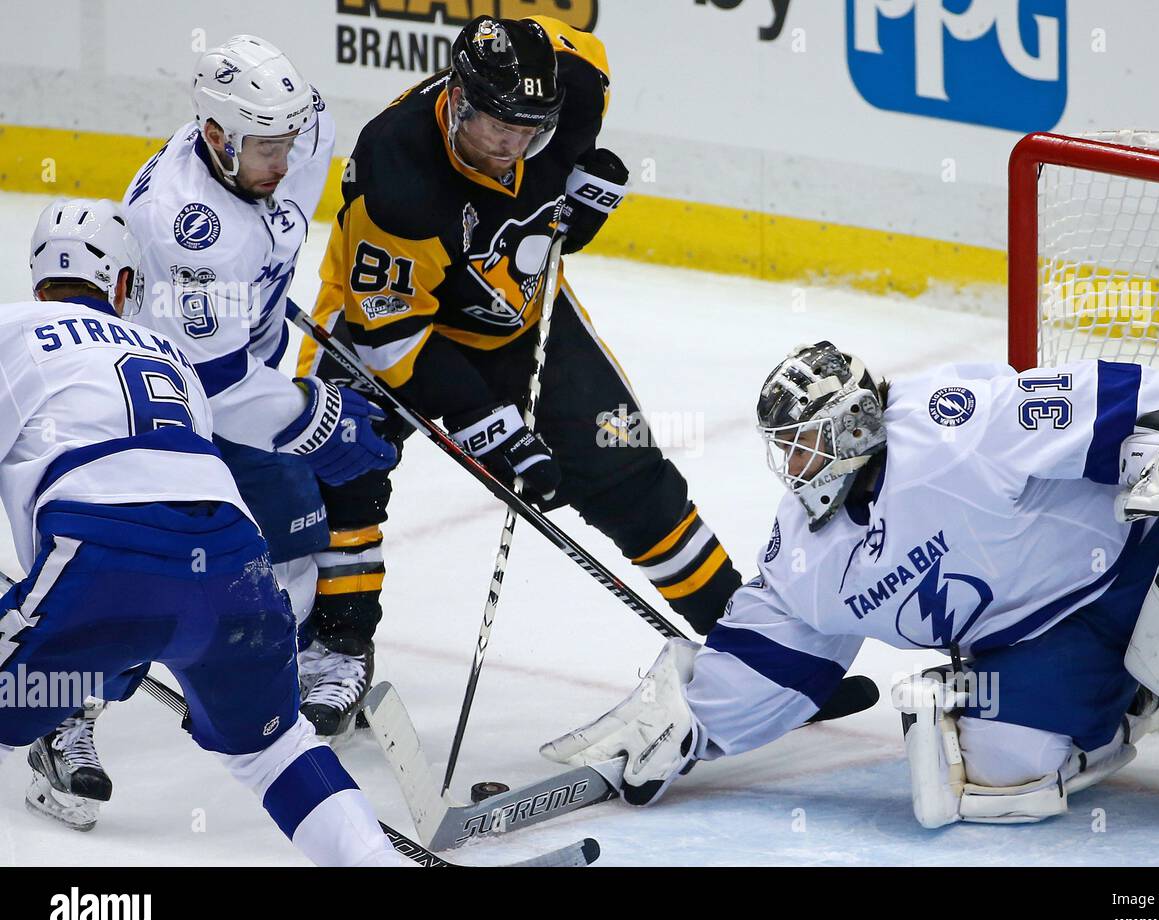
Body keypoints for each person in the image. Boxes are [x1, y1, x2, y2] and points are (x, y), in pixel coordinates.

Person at [540, 341, 1159, 824]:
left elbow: (1113, 398)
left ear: (849, 430)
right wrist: (693, 725)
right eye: (787, 451)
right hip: (1042, 638)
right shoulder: (810, 550)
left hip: (1143, 551)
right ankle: (1137, 696)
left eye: (805, 446)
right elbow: (775, 656)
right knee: (998, 784)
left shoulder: (949, 426)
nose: (794, 467)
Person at [297, 15, 741, 734]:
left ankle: (748, 640)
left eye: (529, 131)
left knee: (622, 462)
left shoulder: (576, 88)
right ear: (459, 100)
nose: (510, 148)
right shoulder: (400, 169)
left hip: (515, 314)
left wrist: (576, 216)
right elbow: (394, 342)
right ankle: (334, 645)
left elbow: (539, 218)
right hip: (383, 321)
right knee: (339, 469)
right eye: (495, 129)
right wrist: (495, 430)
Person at [0, 198, 407, 864]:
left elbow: (106, 539)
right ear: (125, 285)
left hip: (99, 564)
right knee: (277, 752)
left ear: (40, 280)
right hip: (236, 568)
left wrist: (102, 631)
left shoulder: (14, 330)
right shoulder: (169, 355)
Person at [123, 35, 397, 739]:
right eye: (265, 148)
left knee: (295, 523)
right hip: (171, 404)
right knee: (179, 546)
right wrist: (319, 415)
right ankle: (76, 704)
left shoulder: (287, 136)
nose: (285, 161)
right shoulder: (190, 228)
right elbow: (217, 387)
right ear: (215, 136)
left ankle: (296, 657)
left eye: (288, 140)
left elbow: (304, 159)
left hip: (240, 367)